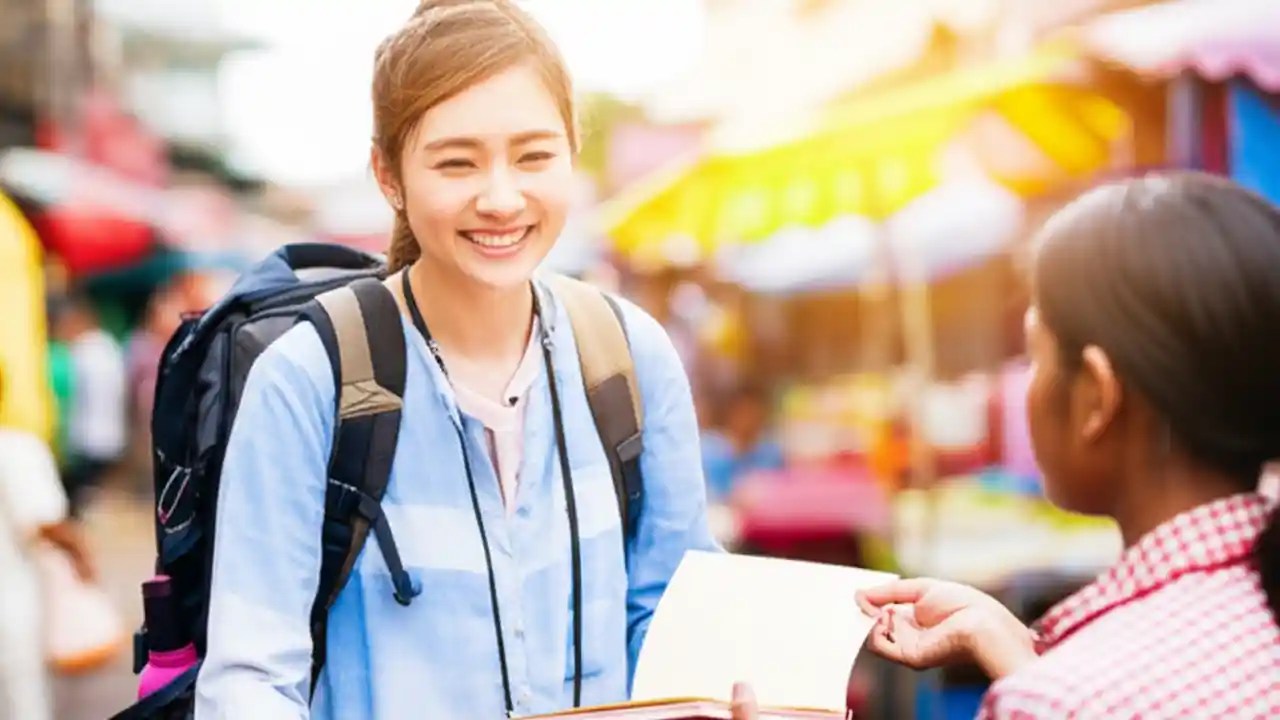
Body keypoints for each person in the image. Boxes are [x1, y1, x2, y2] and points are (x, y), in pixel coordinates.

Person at [195, 2, 718, 718]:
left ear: (573, 149)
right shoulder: (309, 378)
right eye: (456, 162)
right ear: (388, 175)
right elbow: (250, 681)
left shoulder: (629, 357)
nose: (501, 198)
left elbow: (676, 620)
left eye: (534, 155)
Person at [732, 172, 1280, 718]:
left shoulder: (1054, 701)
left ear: (1095, 396)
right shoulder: (1240, 617)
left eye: (1034, 354)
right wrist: (1002, 639)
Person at [0, 366, 96, 720]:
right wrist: (82, 557)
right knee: (22, 699)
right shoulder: (15, 449)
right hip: (10, 605)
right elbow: (45, 522)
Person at [49, 293, 127, 517]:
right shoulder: (107, 345)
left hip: (84, 436)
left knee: (77, 493)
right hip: (107, 434)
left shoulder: (81, 351)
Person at [700, 382, 784, 502]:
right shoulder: (710, 449)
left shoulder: (771, 452)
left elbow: (777, 490)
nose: (748, 419)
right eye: (743, 412)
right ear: (731, 414)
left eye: (754, 412)